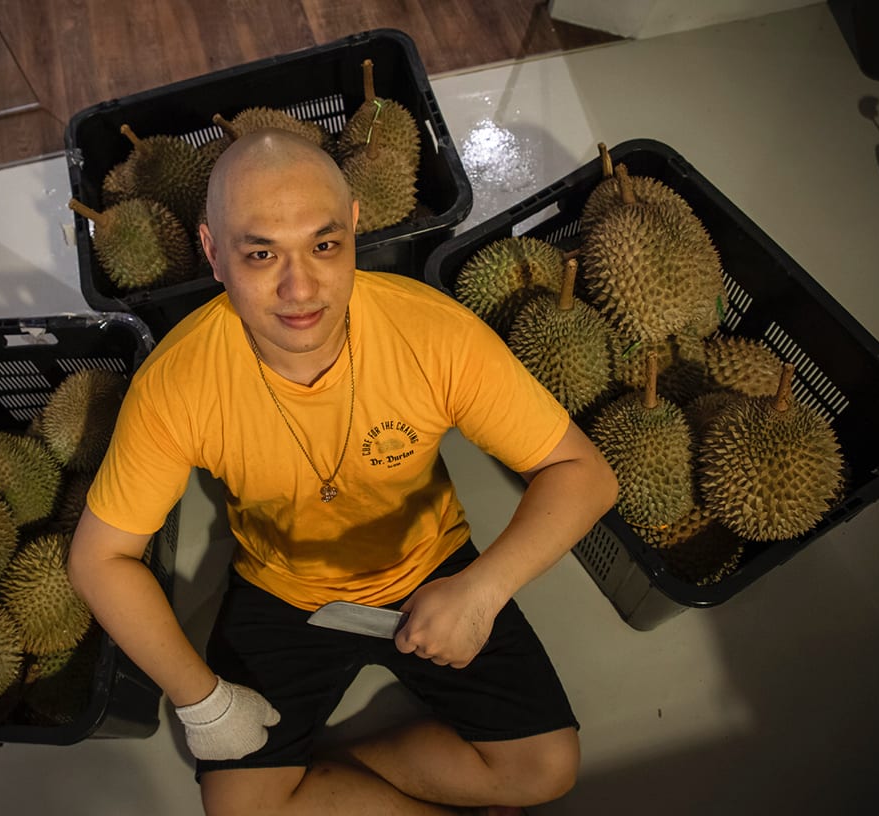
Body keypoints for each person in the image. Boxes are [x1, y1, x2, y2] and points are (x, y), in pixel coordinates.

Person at [69, 128, 618, 815]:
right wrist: (200, 699)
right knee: (238, 811)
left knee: (545, 769)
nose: (301, 289)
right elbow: (99, 559)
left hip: (433, 561)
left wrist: (482, 591)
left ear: (356, 227)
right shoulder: (175, 386)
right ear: (213, 253)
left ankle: (326, 768)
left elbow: (584, 471)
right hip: (280, 587)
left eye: (324, 246)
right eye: (262, 253)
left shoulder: (434, 335)